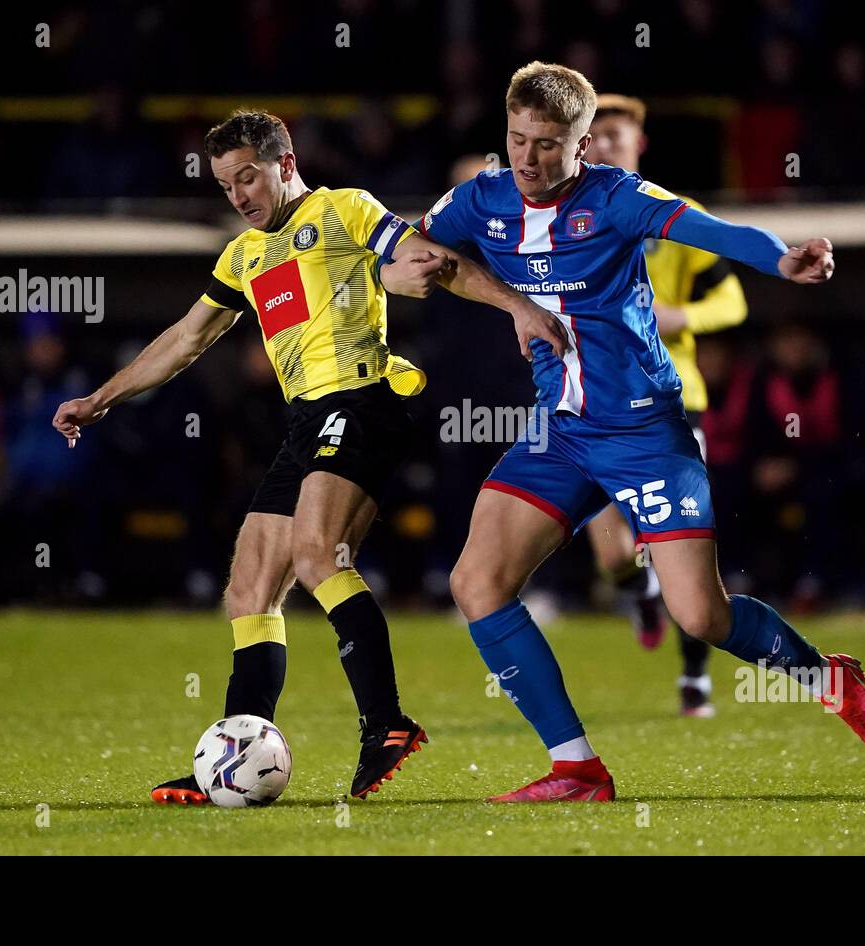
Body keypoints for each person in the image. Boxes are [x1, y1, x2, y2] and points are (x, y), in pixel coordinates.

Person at [414, 62, 865, 802]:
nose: (528, 158)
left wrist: (783, 257)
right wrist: (502, 300)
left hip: (644, 430)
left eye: (548, 144)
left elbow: (712, 229)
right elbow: (414, 258)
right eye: (517, 139)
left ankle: (829, 677)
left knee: (702, 616)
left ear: (582, 145)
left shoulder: (615, 198)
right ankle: (577, 769)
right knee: (476, 583)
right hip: (561, 432)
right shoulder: (477, 201)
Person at [52, 109, 567, 804]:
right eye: (225, 184)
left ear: (285, 165)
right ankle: (233, 757)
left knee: (318, 552)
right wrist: (103, 397)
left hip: (362, 403)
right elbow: (185, 338)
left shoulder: (342, 209)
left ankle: (386, 722)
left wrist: (516, 308)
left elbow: (430, 262)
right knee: (249, 588)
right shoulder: (242, 256)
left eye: (247, 178)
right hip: (307, 425)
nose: (237, 196)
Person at [583, 93, 754, 717]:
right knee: (614, 556)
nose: (604, 145)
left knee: (680, 545)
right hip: (595, 404)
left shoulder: (671, 218)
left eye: (616, 136)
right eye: (594, 136)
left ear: (638, 145)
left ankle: (695, 681)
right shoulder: (565, 219)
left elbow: (733, 301)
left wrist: (678, 315)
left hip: (675, 402)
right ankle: (642, 594)